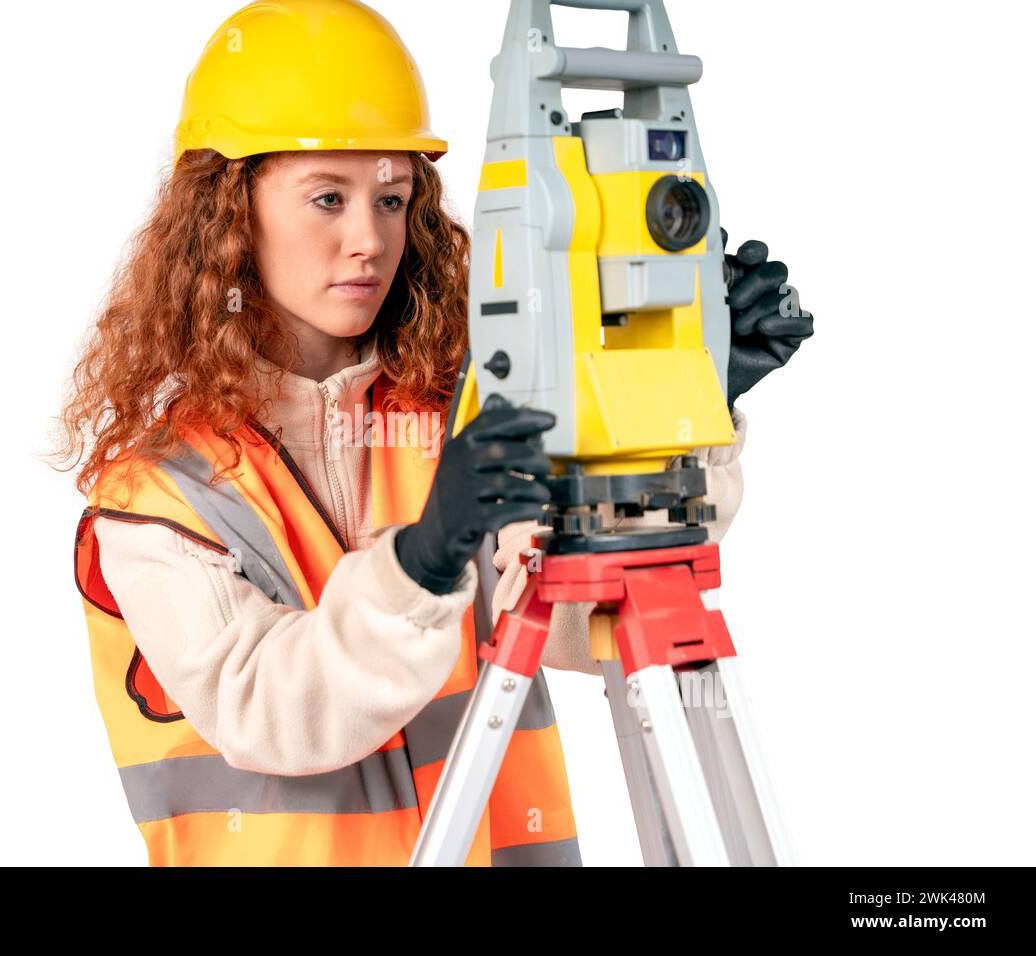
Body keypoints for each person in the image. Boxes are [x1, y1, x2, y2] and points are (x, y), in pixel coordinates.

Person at [52, 0, 810, 867]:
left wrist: (689, 402)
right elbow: (269, 710)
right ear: (229, 211)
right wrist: (422, 561)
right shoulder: (158, 499)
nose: (369, 238)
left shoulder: (451, 420)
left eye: (392, 198)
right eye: (327, 198)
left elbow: (585, 613)